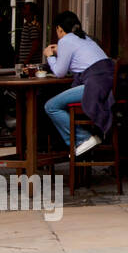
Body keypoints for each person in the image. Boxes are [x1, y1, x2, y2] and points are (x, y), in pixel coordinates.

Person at [43, 11, 114, 157]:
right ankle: (86, 137)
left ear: (60, 29)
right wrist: (59, 52)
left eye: (57, 31)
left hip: (94, 85)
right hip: (106, 83)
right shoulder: (85, 38)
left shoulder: (65, 41)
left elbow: (59, 72)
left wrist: (50, 56)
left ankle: (83, 138)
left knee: (50, 106)